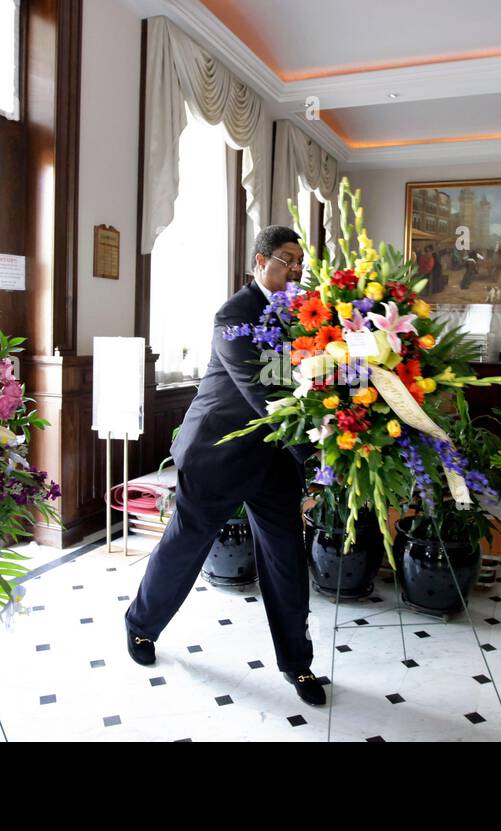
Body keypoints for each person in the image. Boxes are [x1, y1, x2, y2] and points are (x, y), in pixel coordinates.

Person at [124, 225, 325, 706]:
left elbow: (311, 376)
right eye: (285, 259)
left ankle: (297, 665)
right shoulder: (233, 315)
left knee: (286, 557)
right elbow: (266, 394)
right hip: (219, 452)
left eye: (300, 261)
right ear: (260, 261)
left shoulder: (303, 313)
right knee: (186, 546)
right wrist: (315, 457)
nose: (294, 269)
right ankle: (140, 625)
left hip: (272, 457)